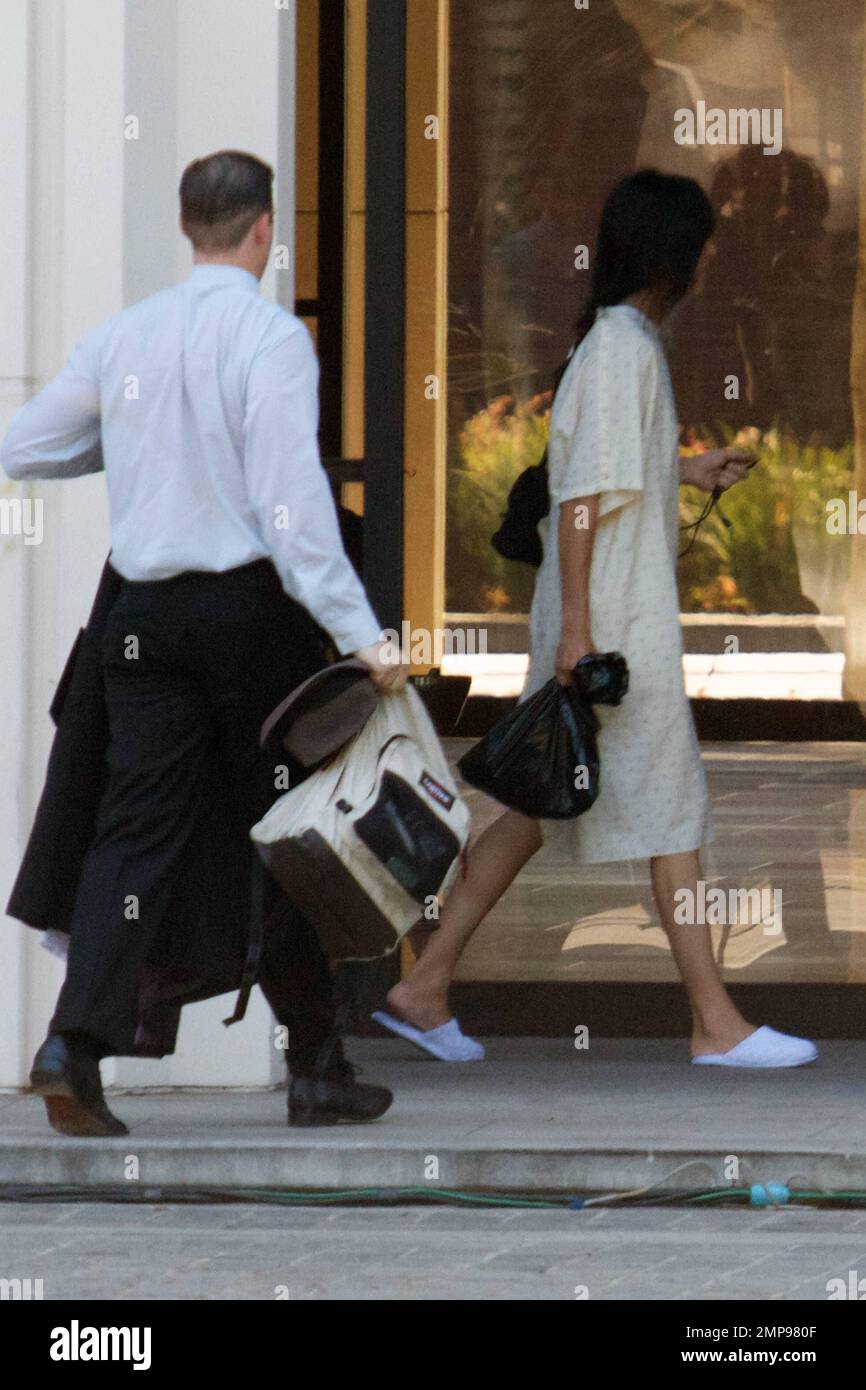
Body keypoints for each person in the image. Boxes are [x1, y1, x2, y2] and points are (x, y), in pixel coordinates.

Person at [2, 149, 406, 1136]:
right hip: (242, 619)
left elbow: (23, 445)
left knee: (132, 834)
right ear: (263, 229)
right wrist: (364, 636)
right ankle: (315, 1062)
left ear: (188, 227)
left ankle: (74, 1045)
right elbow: (290, 505)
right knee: (287, 827)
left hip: (139, 625)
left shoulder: (127, 334)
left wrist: (135, 443)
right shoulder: (269, 340)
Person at [377, 170, 817, 1070]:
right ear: (672, 254)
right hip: (614, 629)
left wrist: (686, 471)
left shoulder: (619, 345)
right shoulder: (622, 351)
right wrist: (580, 634)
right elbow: (580, 501)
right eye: (699, 243)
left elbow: (603, 479)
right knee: (672, 812)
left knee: (535, 808)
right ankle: (714, 1023)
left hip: (599, 619)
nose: (707, 257)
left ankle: (423, 987)